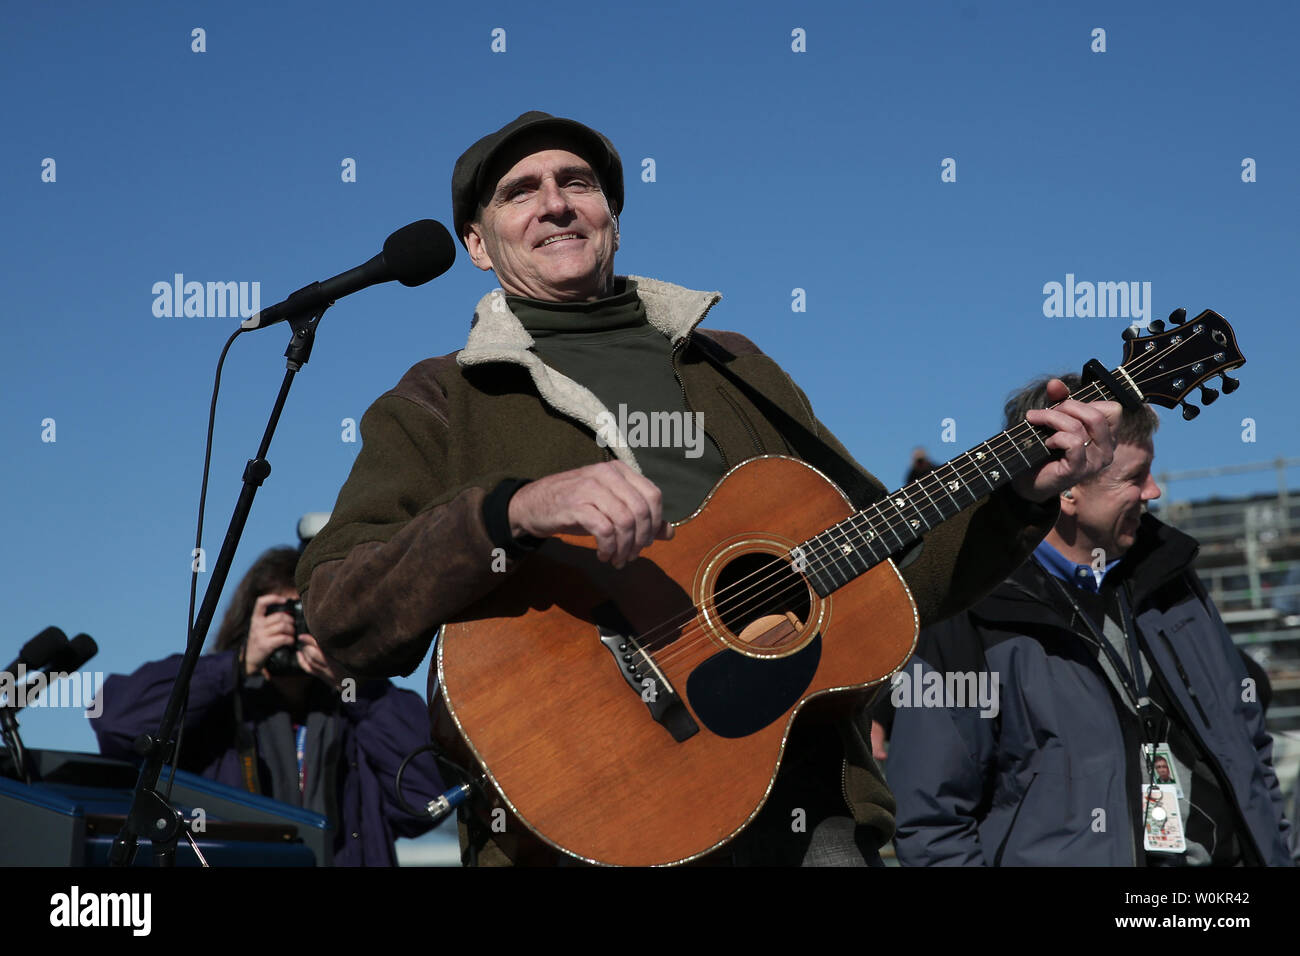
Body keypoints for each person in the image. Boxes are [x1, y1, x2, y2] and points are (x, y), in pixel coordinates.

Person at [295, 111, 1120, 866]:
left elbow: (892, 575)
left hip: (802, 814)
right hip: (576, 827)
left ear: (611, 216)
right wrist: (508, 510)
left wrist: (1021, 497)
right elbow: (341, 607)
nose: (555, 204)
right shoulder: (440, 399)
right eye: (521, 193)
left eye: (577, 183)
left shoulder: (735, 365)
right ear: (478, 243)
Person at [886, 374, 1295, 866]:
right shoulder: (966, 612)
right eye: (1134, 477)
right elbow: (932, 825)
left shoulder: (1173, 578)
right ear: (1065, 489)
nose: (1154, 491)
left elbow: (1250, 752)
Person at [90, 546, 443, 866]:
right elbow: (115, 721)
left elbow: (426, 800)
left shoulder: (358, 714)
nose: (290, 630)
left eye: (304, 616)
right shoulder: (213, 707)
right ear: (249, 622)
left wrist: (356, 684)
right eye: (277, 613)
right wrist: (236, 665)